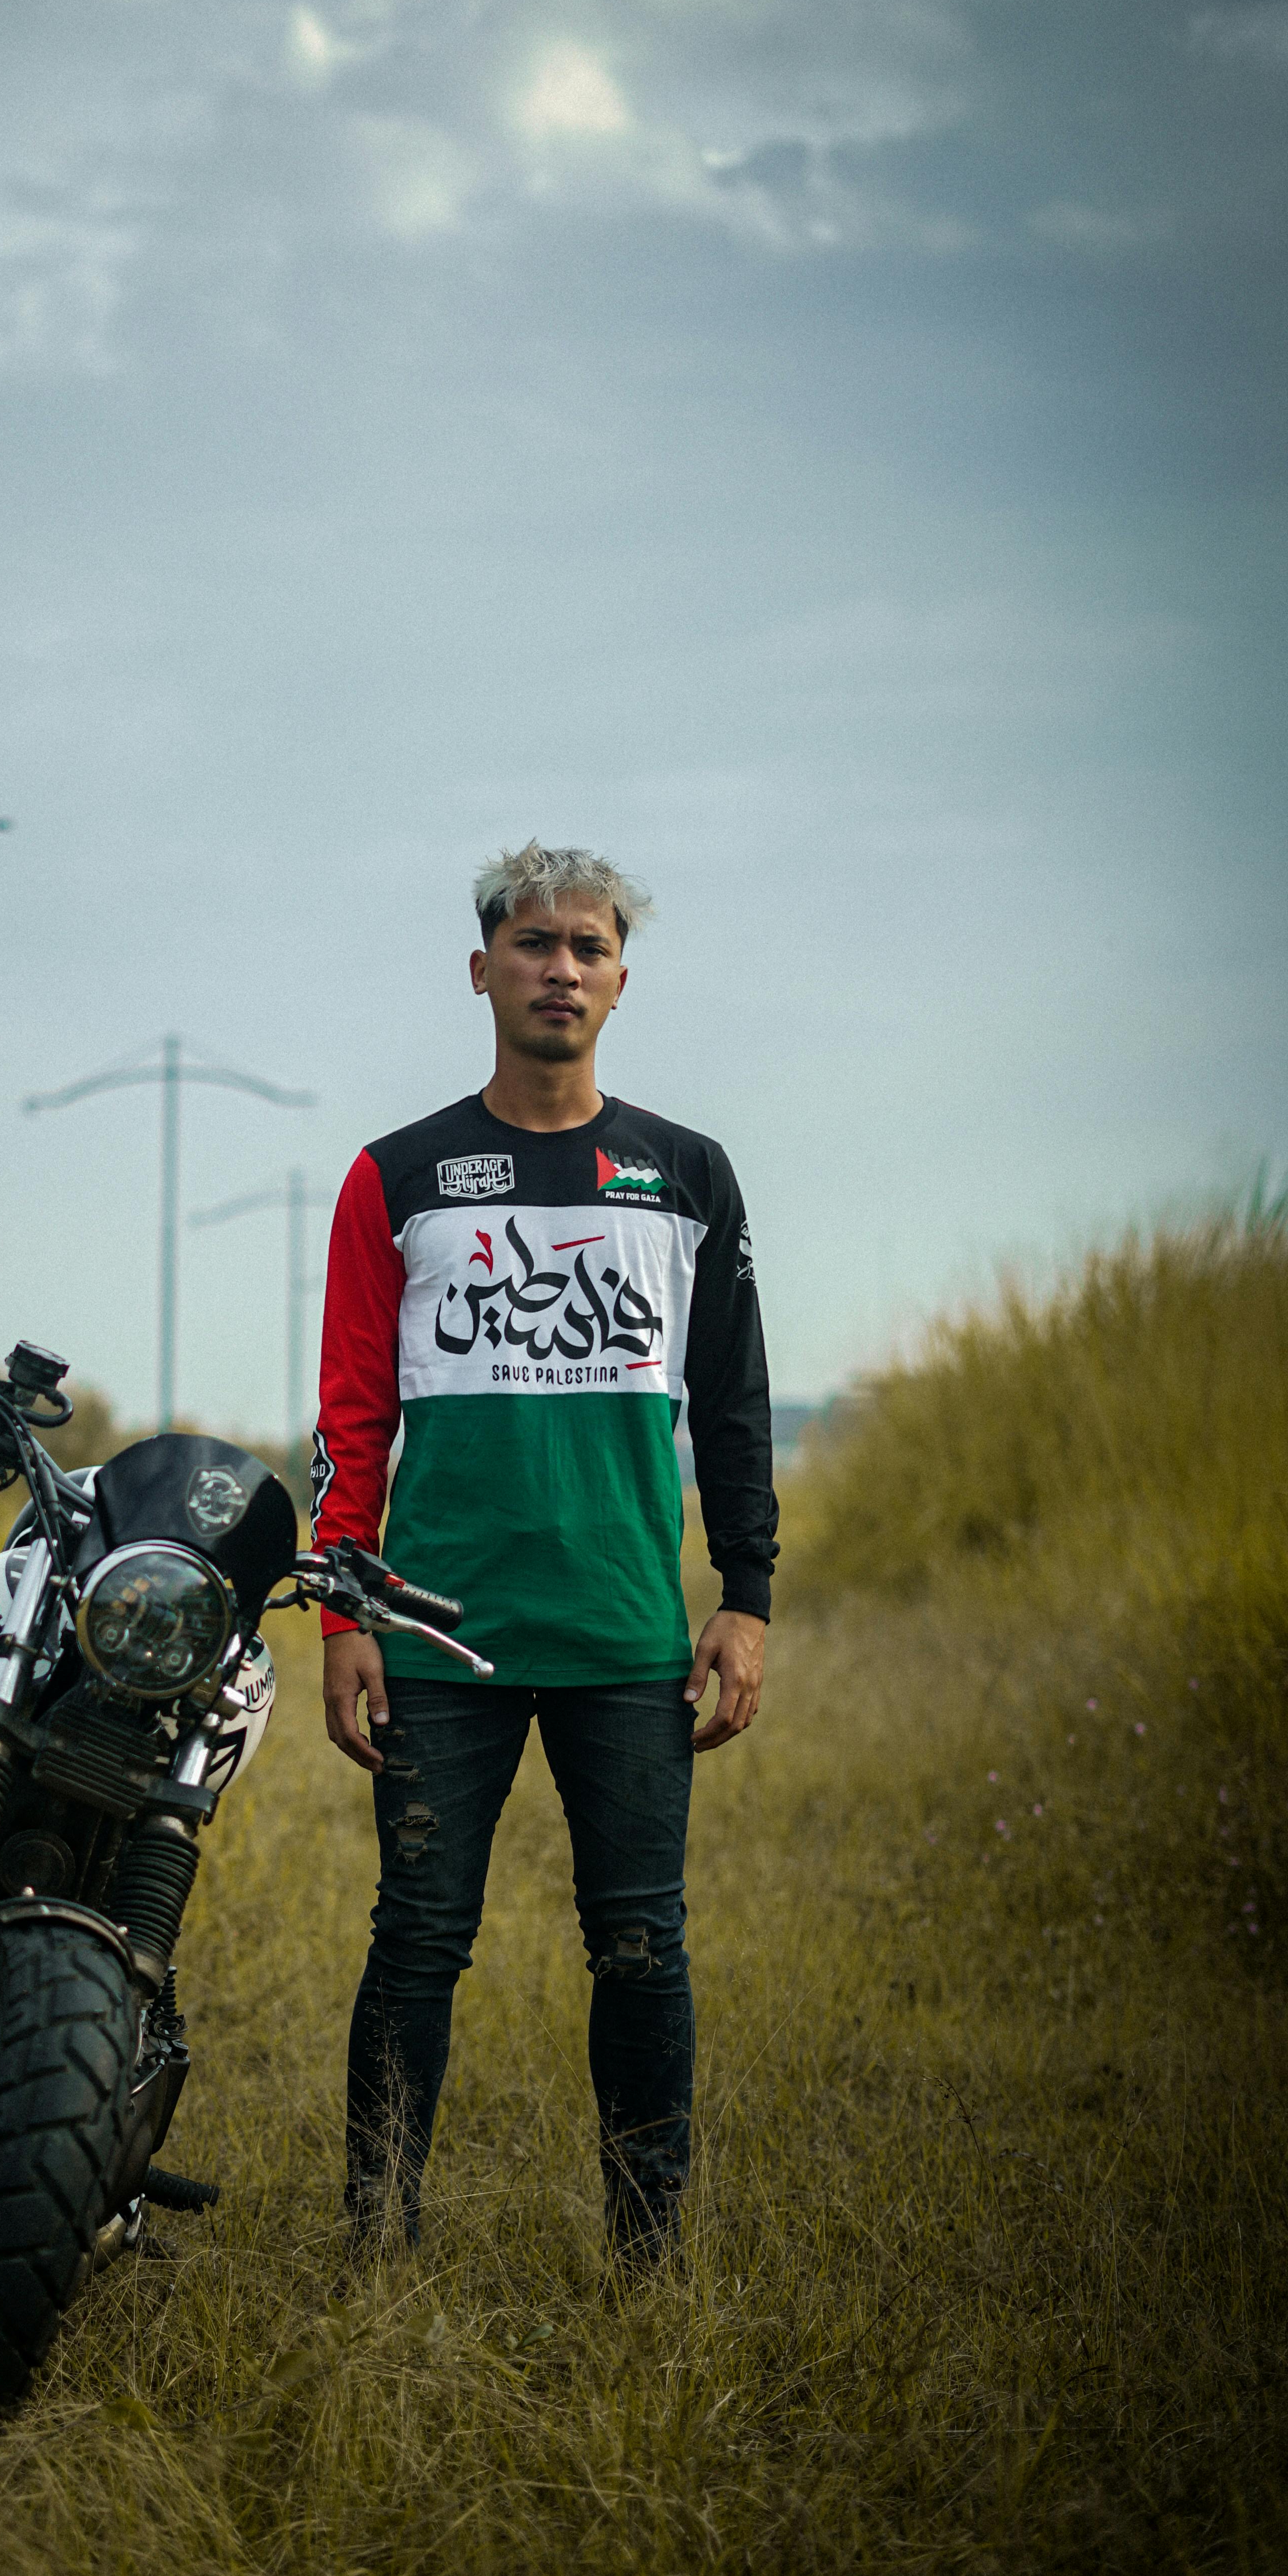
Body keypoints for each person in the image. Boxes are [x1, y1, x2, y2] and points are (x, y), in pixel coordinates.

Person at [311, 840, 777, 2267]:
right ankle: (376, 2248)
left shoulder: (687, 1176)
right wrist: (343, 1616)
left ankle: (649, 2259)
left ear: (622, 981)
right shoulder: (395, 1179)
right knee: (417, 1943)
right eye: (533, 945)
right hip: (437, 1635)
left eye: (587, 948)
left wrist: (745, 1598)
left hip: (626, 1634)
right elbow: (350, 1412)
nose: (559, 968)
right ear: (483, 971)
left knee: (640, 1948)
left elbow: (737, 1403)